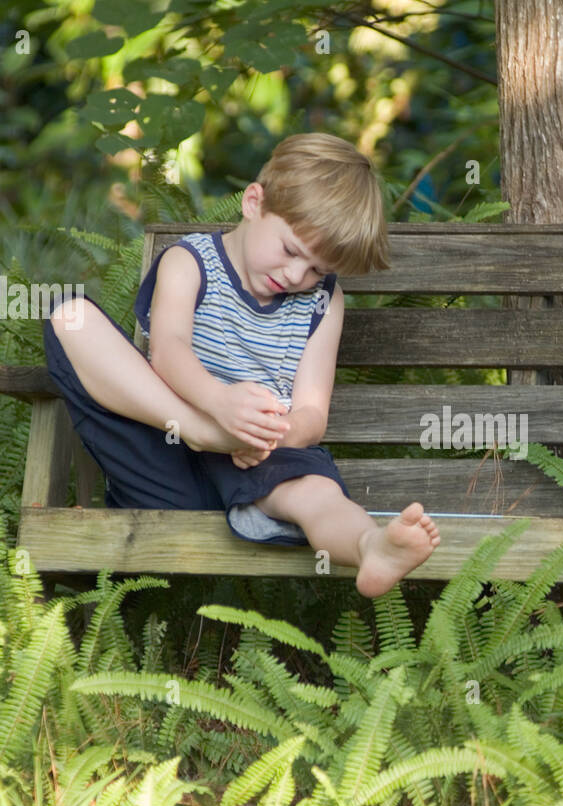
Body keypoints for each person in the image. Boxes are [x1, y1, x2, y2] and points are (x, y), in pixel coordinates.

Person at [44, 133, 439, 598]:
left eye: (316, 269)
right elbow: (168, 352)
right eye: (291, 251)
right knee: (68, 315)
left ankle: (371, 545)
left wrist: (268, 435)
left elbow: (312, 413)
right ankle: (197, 428)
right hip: (168, 460)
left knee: (317, 494)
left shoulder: (321, 302)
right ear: (254, 202)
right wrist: (215, 412)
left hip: (260, 465)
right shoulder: (189, 263)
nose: (297, 276)